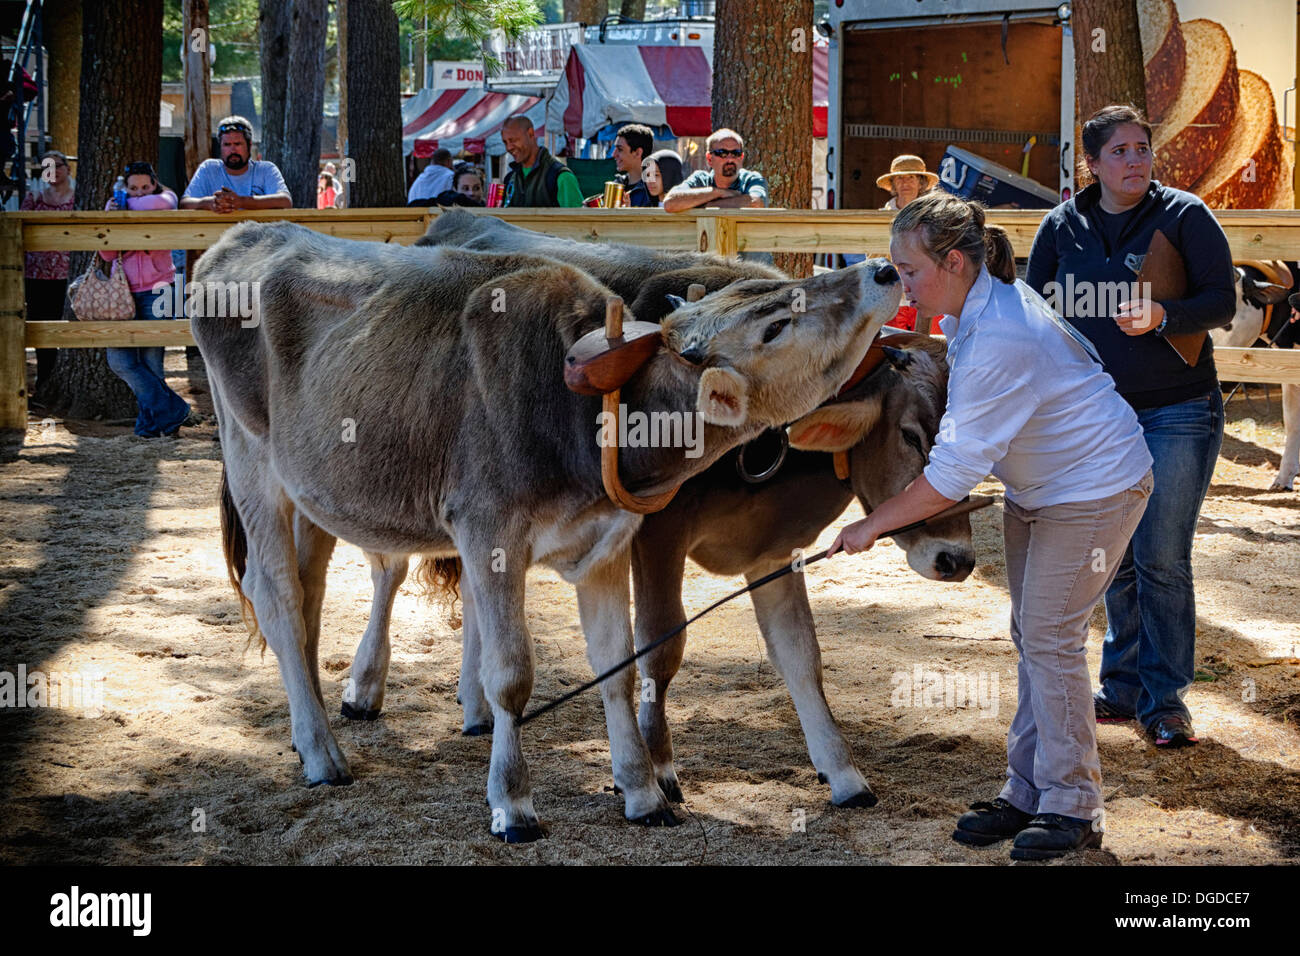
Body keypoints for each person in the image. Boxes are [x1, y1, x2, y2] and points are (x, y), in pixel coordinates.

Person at [829, 191, 1153, 860]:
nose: (903, 284)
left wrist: (871, 527)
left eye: (909, 270)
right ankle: (1028, 789)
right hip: (1041, 487)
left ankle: (1073, 805)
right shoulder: (974, 309)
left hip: (1097, 486)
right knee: (1033, 634)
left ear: (953, 261)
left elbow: (950, 478)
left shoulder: (1000, 332)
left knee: (1050, 636)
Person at [1026, 105, 1236, 749]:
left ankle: (1166, 702)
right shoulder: (1063, 225)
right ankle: (1120, 687)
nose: (1135, 160)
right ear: (1090, 163)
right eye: (1119, 151)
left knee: (1161, 557)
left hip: (1178, 409)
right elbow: (1035, 309)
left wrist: (1164, 315)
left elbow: (1222, 301)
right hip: (1099, 417)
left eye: (1142, 148)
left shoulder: (1185, 215)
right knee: (1112, 557)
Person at [101, 161, 192, 438]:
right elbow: (106, 254)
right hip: (122, 291)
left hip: (157, 288)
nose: (139, 193)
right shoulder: (114, 207)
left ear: (154, 183)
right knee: (120, 361)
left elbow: (163, 203)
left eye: (145, 187)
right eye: (133, 188)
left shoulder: (165, 199)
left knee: (153, 363)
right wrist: (114, 214)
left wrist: (124, 204)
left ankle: (148, 429)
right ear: (125, 187)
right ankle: (174, 411)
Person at [21, 150, 75, 401]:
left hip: (68, 274)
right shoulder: (34, 197)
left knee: (67, 327)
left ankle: (67, 383)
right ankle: (44, 384)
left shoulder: (78, 198)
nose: (54, 170)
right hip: (36, 275)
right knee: (41, 330)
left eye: (58, 165)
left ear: (68, 169)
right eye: (47, 166)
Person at [180, 115, 292, 212]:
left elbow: (285, 201)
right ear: (220, 146)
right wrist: (209, 203)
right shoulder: (209, 168)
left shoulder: (265, 169)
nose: (232, 150)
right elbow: (185, 204)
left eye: (238, 144)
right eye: (227, 145)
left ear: (249, 145)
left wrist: (241, 202)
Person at [662, 128, 767, 212]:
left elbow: (756, 202)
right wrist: (718, 193)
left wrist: (704, 206)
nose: (730, 159)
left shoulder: (751, 179)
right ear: (709, 159)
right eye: (722, 153)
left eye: (735, 153)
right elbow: (669, 203)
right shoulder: (700, 179)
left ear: (742, 157)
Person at [500, 115, 583, 208]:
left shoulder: (561, 177)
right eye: (505, 142)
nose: (509, 147)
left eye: (513, 140)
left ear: (530, 133)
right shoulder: (510, 179)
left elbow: (577, 220)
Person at [611, 123, 654, 207]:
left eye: (620, 149)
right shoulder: (617, 184)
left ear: (638, 153)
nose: (613, 154)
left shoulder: (652, 190)